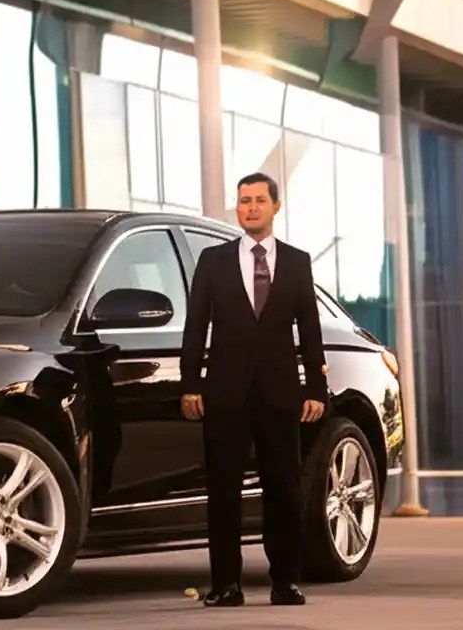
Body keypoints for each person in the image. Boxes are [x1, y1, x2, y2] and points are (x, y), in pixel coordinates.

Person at [178, 172, 328, 608]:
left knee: (283, 488)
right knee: (223, 491)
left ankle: (286, 583)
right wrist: (191, 384)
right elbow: (195, 327)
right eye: (244, 201)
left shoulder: (298, 262)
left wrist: (315, 388)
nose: (251, 208)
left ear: (276, 206)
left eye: (259, 200)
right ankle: (226, 585)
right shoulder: (213, 260)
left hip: (281, 395)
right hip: (224, 393)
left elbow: (310, 330)